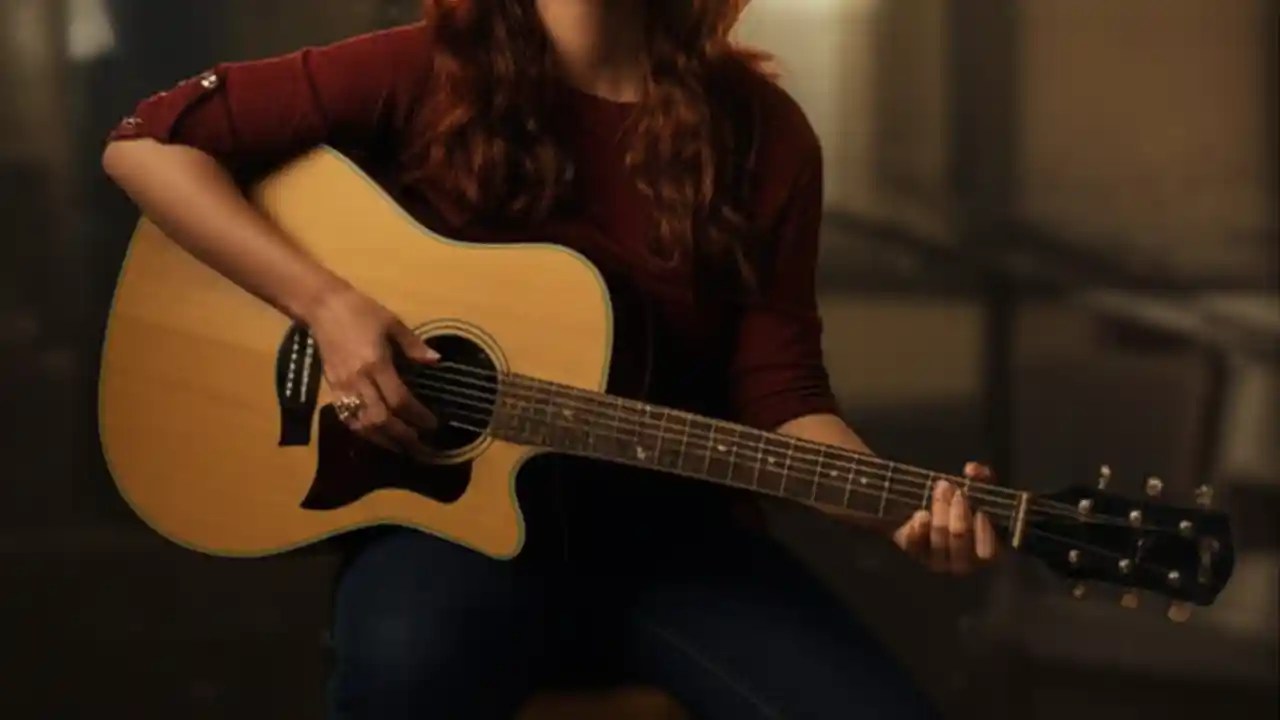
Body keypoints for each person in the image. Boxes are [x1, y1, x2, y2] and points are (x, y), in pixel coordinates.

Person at [102, 1, 999, 718]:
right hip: (452, 533)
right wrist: (329, 307)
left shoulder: (763, 132)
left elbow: (782, 393)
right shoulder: (423, 69)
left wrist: (902, 511)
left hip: (675, 546)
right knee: (406, 676)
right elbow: (147, 144)